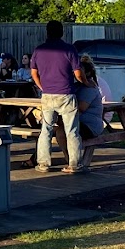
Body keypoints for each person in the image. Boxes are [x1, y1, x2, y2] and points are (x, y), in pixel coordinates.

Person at [30, 21, 87, 174]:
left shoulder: (39, 50)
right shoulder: (69, 49)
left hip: (47, 95)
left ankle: (43, 163)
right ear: (62, 32)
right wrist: (87, 83)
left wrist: (42, 87)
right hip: (66, 94)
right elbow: (78, 74)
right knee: (72, 131)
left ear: (47, 32)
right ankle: (74, 163)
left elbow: (34, 72)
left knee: (46, 130)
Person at [75, 54, 113, 140]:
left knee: (65, 129)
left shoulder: (90, 88)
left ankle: (72, 153)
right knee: (60, 129)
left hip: (90, 126)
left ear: (87, 73)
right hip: (82, 122)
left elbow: (81, 108)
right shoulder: (78, 86)